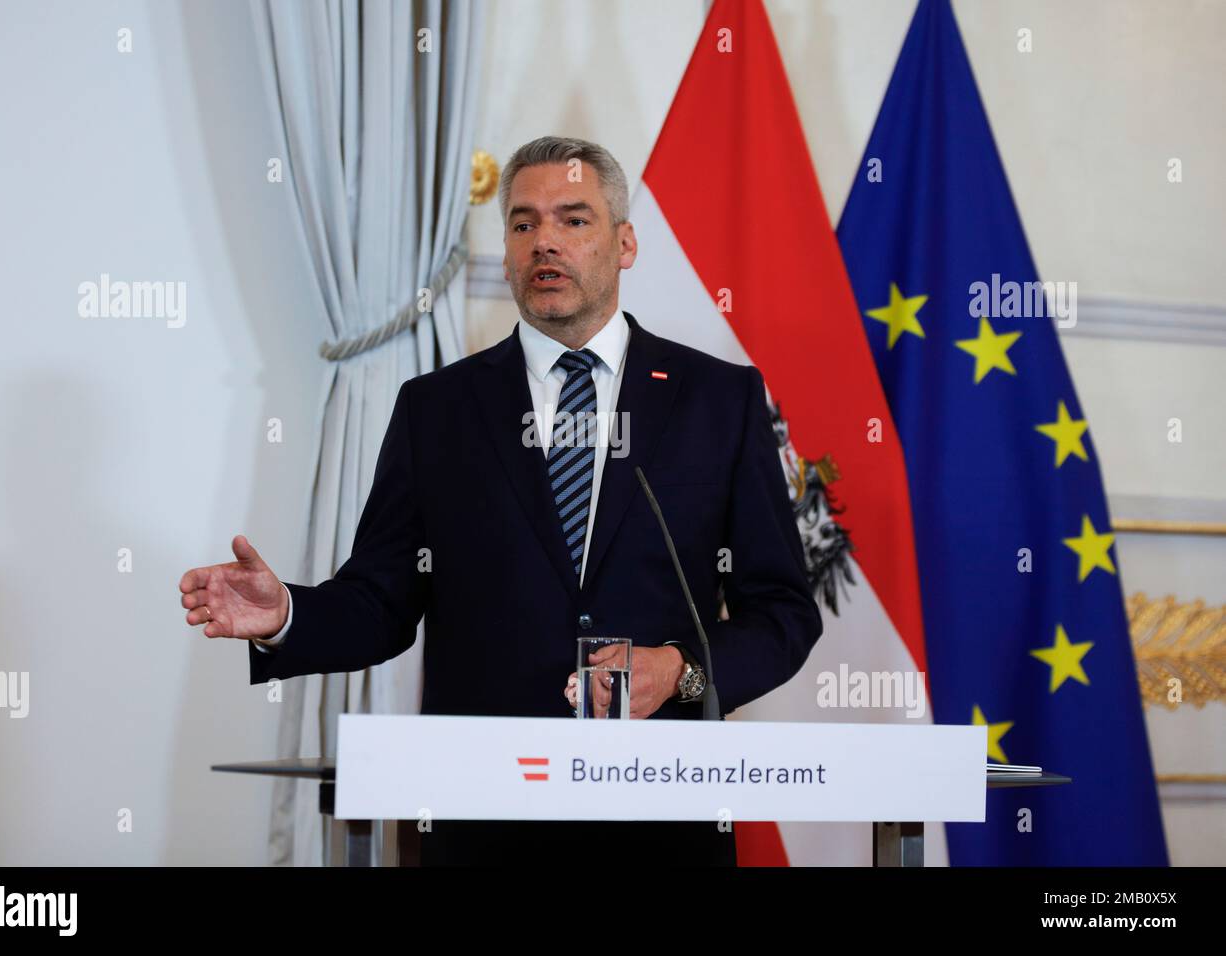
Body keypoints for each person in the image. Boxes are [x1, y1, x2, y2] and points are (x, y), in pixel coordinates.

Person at [178, 136, 823, 866]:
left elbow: (782, 613)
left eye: (573, 219)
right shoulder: (439, 409)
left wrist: (680, 668)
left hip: (663, 825)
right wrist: (288, 615)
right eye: (522, 223)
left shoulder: (719, 401)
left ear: (626, 241)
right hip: (481, 826)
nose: (544, 241)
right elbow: (382, 602)